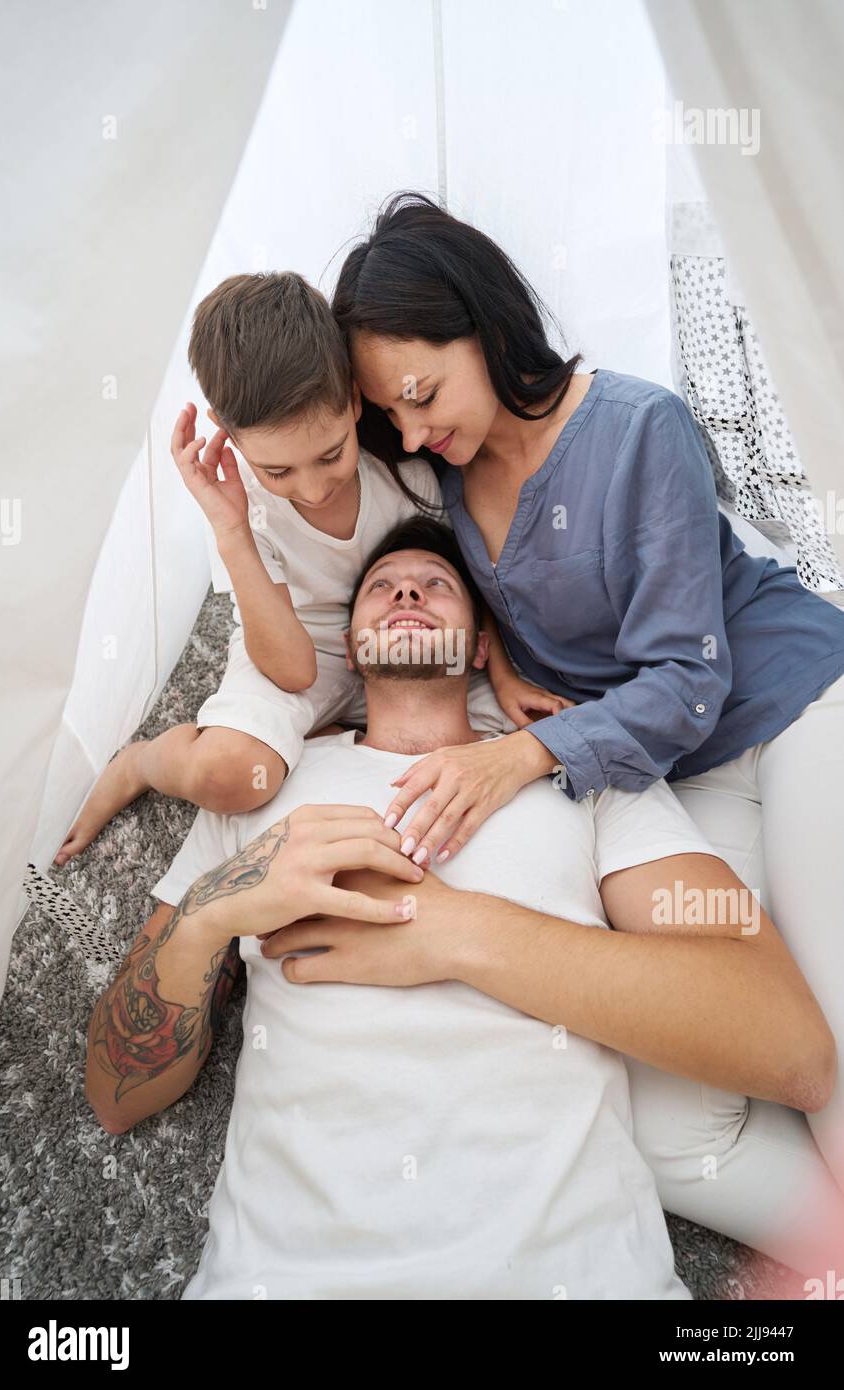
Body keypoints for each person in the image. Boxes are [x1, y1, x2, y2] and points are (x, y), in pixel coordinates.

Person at [85, 519, 838, 1300]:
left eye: (436, 585)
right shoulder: (262, 793)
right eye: (382, 587)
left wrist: (455, 932)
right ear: (348, 646)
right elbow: (115, 1097)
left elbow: (791, 1048)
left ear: (482, 649)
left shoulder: (578, 774)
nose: (407, 590)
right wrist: (210, 912)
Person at [333, 191, 844, 1190]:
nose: (411, 426)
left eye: (421, 392)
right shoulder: (439, 475)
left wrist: (517, 753)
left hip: (789, 707)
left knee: (824, 1052)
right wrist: (501, 661)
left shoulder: (637, 426)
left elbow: (690, 680)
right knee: (672, 1131)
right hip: (666, 774)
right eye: (389, 412)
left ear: (481, 328)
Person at [55, 272, 566, 868]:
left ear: (353, 399)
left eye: (330, 455)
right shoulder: (242, 501)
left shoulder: (408, 471)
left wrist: (502, 675)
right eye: (280, 472)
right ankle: (144, 761)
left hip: (410, 643)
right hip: (299, 646)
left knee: (536, 745)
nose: (314, 487)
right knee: (233, 777)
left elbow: (472, 583)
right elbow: (293, 669)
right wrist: (232, 531)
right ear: (230, 434)